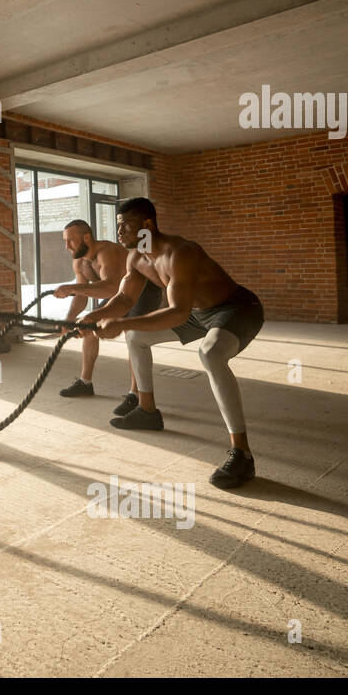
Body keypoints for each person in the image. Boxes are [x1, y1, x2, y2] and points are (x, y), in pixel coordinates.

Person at [82, 198, 265, 489]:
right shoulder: (137, 258)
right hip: (196, 312)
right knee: (136, 338)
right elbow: (125, 299)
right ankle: (147, 411)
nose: (120, 233)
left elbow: (177, 311)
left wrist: (121, 323)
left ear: (147, 225)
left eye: (125, 225)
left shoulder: (180, 252)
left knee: (211, 353)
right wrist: (91, 316)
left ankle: (242, 454)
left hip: (236, 308)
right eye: (118, 226)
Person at [52, 219, 163, 413]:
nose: (66, 246)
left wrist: (71, 287)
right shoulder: (79, 261)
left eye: (70, 240)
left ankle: (135, 395)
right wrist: (69, 318)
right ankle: (85, 383)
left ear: (87, 237)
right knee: (87, 325)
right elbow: (82, 296)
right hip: (119, 295)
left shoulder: (107, 252)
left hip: (144, 290)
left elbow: (111, 286)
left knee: (133, 336)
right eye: (65, 241)